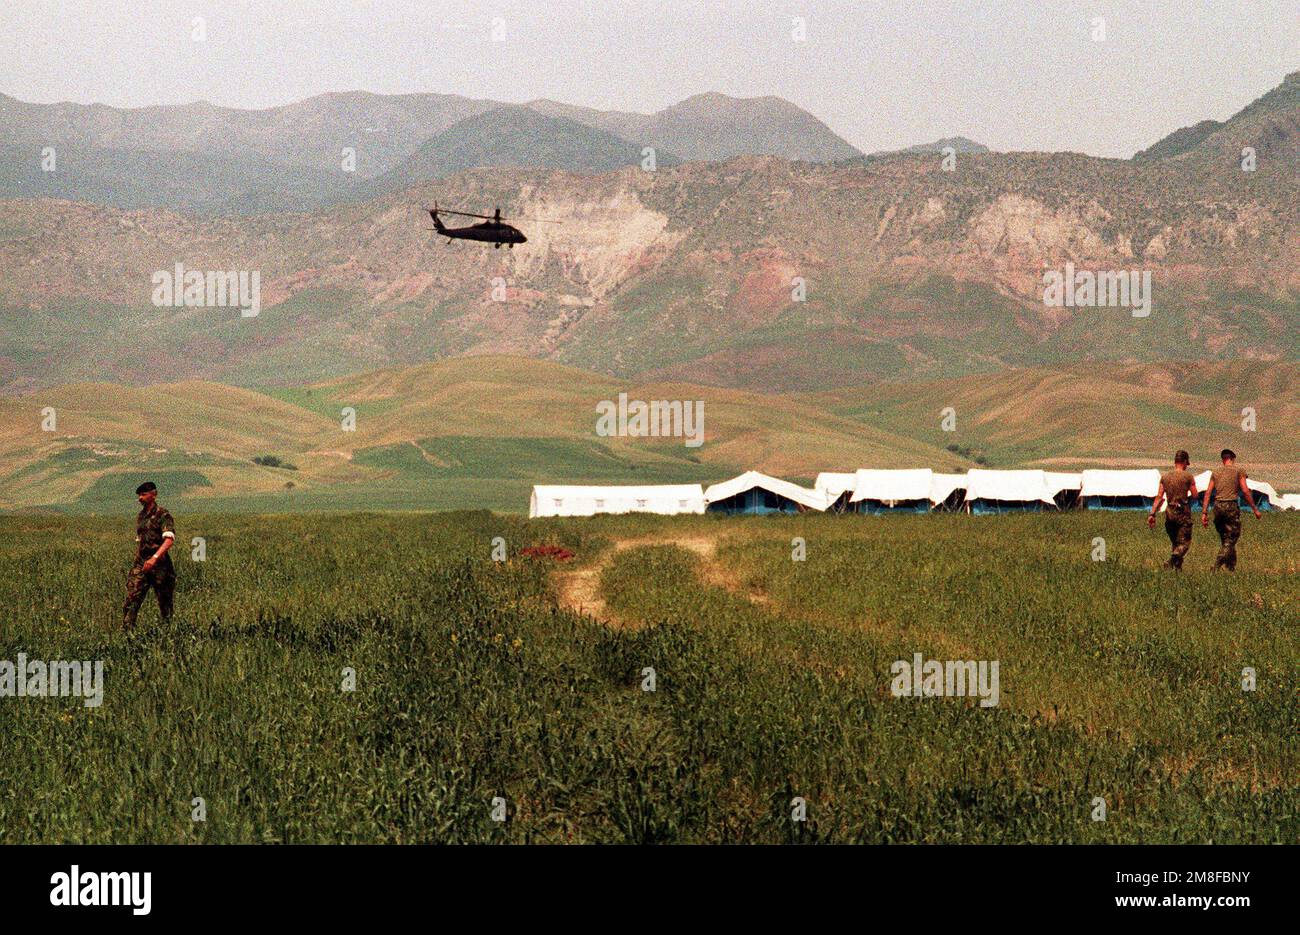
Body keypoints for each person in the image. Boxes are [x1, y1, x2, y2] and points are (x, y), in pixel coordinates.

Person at [123, 481, 176, 627]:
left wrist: (154, 558)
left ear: (154, 495)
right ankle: (127, 636)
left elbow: (169, 540)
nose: (140, 498)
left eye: (144, 494)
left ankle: (168, 634)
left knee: (165, 604)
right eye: (139, 495)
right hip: (142, 563)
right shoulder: (141, 516)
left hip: (160, 566)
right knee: (131, 599)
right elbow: (140, 541)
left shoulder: (163, 515)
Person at [1201, 449, 1261, 572]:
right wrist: (1255, 509)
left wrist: (1204, 513)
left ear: (1223, 459)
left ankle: (1231, 567)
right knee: (1232, 537)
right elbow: (1245, 491)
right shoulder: (1239, 471)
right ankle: (1216, 565)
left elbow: (1208, 493)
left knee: (1225, 538)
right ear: (1233, 459)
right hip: (1230, 506)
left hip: (1217, 507)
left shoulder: (1215, 472)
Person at [1148, 450, 1197, 570]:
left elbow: (1159, 497)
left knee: (1175, 542)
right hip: (1183, 513)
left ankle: (1177, 570)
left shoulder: (1165, 477)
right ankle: (1172, 560)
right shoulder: (1188, 476)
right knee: (1185, 543)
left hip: (1169, 513)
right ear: (1185, 462)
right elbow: (1195, 495)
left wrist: (1152, 514)